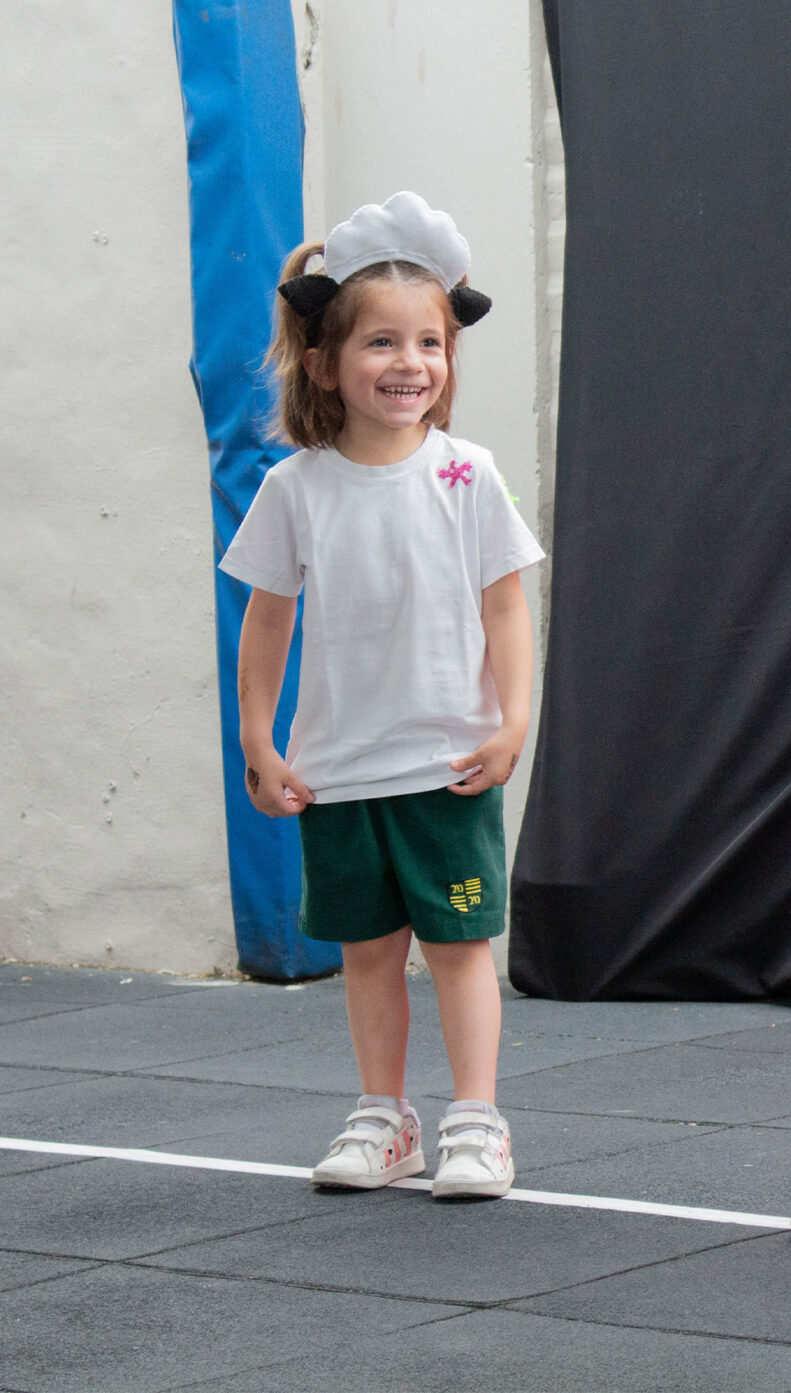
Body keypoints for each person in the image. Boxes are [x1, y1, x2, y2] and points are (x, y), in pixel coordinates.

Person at [222, 192, 543, 1201]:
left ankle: (477, 1121)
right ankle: (383, 1114)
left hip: (446, 764)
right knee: (368, 956)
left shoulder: (468, 474)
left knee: (459, 949)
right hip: (340, 771)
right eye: (381, 343)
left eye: (429, 343)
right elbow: (266, 621)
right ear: (325, 360)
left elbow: (506, 610)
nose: (410, 364)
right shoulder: (296, 488)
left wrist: (514, 721)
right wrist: (258, 740)